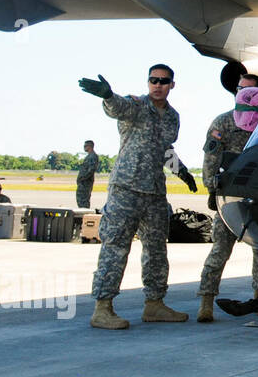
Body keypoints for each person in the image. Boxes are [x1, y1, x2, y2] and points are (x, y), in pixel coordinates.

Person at [80, 65, 198, 329]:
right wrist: (108, 95)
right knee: (116, 246)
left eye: (164, 81)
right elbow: (117, 108)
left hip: (154, 192)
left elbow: (166, 149)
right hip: (126, 189)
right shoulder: (135, 106)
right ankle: (102, 308)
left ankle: (154, 304)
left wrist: (183, 172)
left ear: (172, 85)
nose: (158, 85)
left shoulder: (172, 117)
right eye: (153, 80)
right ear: (148, 83)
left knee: (157, 249)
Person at [197, 76, 258, 322]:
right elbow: (210, 162)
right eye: (241, 89)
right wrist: (212, 190)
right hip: (229, 200)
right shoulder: (223, 122)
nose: (245, 94)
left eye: (251, 90)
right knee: (220, 250)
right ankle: (206, 302)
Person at [76, 140, 99, 208]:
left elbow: (91, 170)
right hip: (83, 183)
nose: (84, 147)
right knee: (80, 200)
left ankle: (84, 215)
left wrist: (82, 178)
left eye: (85, 146)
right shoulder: (89, 156)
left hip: (86, 183)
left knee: (83, 201)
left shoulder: (93, 156)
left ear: (90, 146)